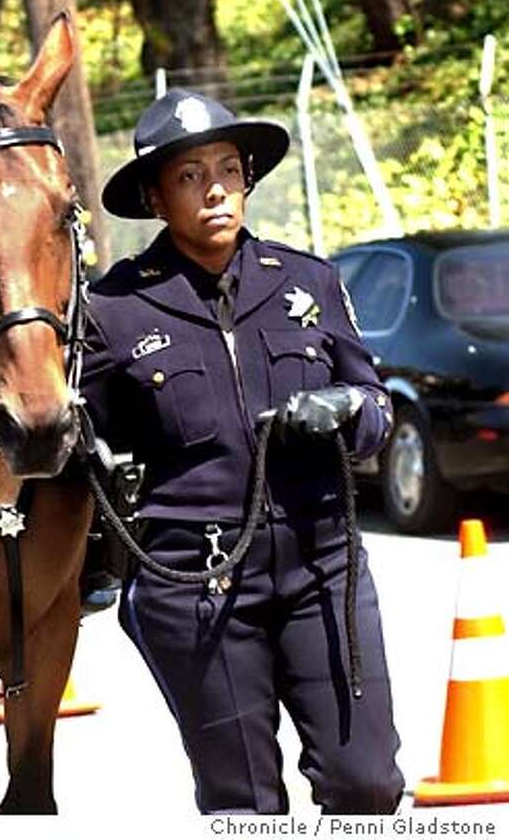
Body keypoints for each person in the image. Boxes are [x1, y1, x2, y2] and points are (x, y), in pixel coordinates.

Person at [81, 89, 404, 814]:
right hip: (198, 585)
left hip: (326, 565)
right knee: (244, 803)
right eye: (192, 176)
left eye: (230, 168)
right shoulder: (113, 308)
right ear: (156, 197)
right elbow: (75, 447)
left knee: (368, 784)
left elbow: (376, 403)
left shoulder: (309, 280)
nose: (218, 188)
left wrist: (348, 409)